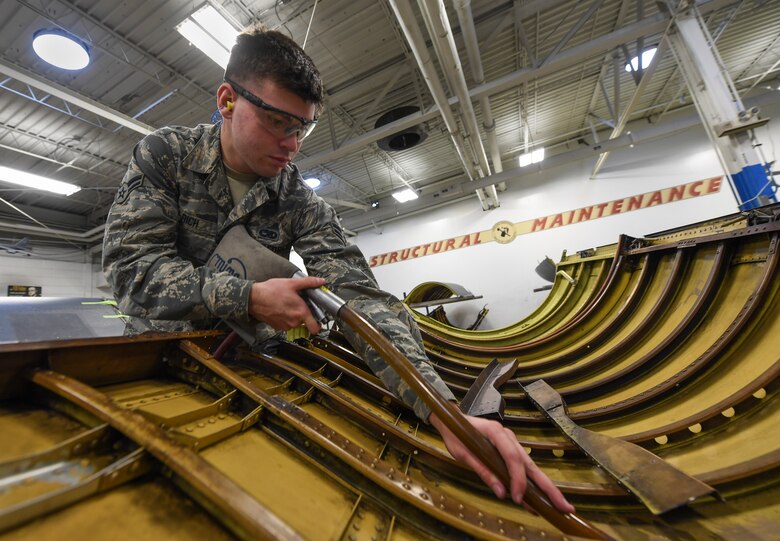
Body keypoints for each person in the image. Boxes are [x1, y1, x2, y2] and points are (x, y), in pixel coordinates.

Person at [102, 23, 573, 513]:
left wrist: (443, 411)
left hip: (246, 369)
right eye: (277, 122)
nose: (292, 144)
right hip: (155, 366)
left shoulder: (298, 200)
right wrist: (249, 298)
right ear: (227, 101)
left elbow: (362, 299)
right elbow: (131, 272)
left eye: (301, 129)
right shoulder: (167, 156)